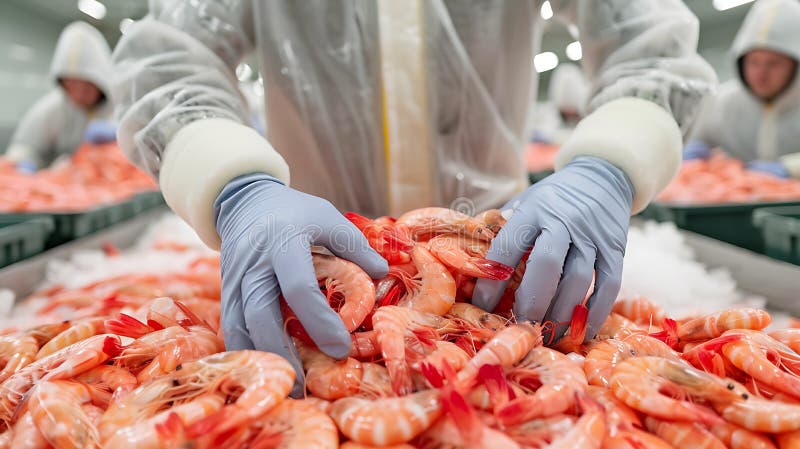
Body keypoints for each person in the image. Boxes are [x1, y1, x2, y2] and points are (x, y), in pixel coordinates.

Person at [112, 1, 716, 380]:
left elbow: (652, 45)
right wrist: (234, 186)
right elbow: (167, 59)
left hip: (506, 261)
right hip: (308, 259)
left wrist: (609, 166)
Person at [683, 0, 800, 179]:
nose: (761, 74)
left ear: (795, 66)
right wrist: (691, 149)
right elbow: (698, 141)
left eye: (773, 64)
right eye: (753, 63)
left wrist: (791, 168)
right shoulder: (722, 103)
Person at [3, 22, 116, 172]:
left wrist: (122, 136)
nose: (78, 95)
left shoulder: (121, 105)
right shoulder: (52, 109)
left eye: (87, 87)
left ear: (101, 81)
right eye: (71, 86)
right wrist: (23, 162)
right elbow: (25, 147)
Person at [530, 63, 591, 145]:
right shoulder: (548, 115)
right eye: (566, 112)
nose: (569, 115)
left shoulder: (588, 117)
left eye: (572, 112)